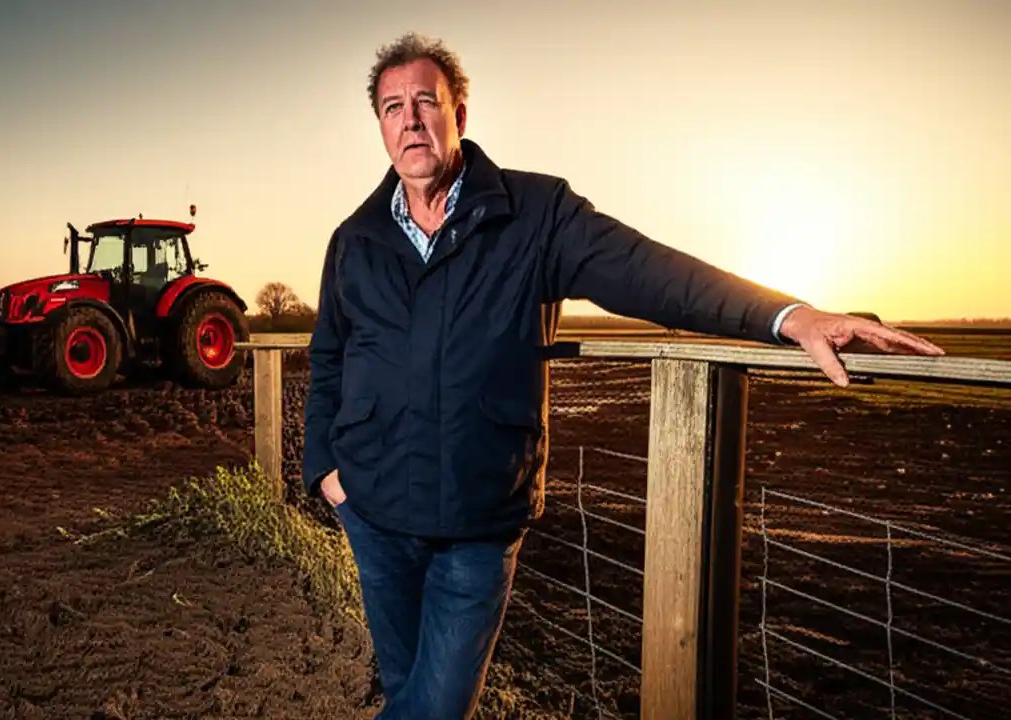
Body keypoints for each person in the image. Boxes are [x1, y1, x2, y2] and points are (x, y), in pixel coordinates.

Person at [302, 33, 944, 720]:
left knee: (435, 709)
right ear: (379, 125)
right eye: (392, 107)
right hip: (374, 513)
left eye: (427, 100)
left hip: (477, 519)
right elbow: (331, 356)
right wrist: (328, 474)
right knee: (406, 690)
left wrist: (786, 316)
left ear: (461, 112)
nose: (410, 119)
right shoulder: (356, 238)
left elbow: (649, 271)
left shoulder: (534, 215)